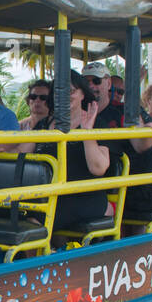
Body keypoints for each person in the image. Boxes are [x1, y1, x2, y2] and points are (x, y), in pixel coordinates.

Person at [52, 71, 115, 233]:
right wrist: (0, 147)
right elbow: (23, 148)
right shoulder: (48, 123)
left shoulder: (97, 124)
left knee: (37, 216)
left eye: (71, 91)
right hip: (53, 193)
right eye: (59, 91)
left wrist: (87, 132)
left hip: (85, 196)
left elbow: (99, 167)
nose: (65, 96)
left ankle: (44, 256)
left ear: (82, 94)